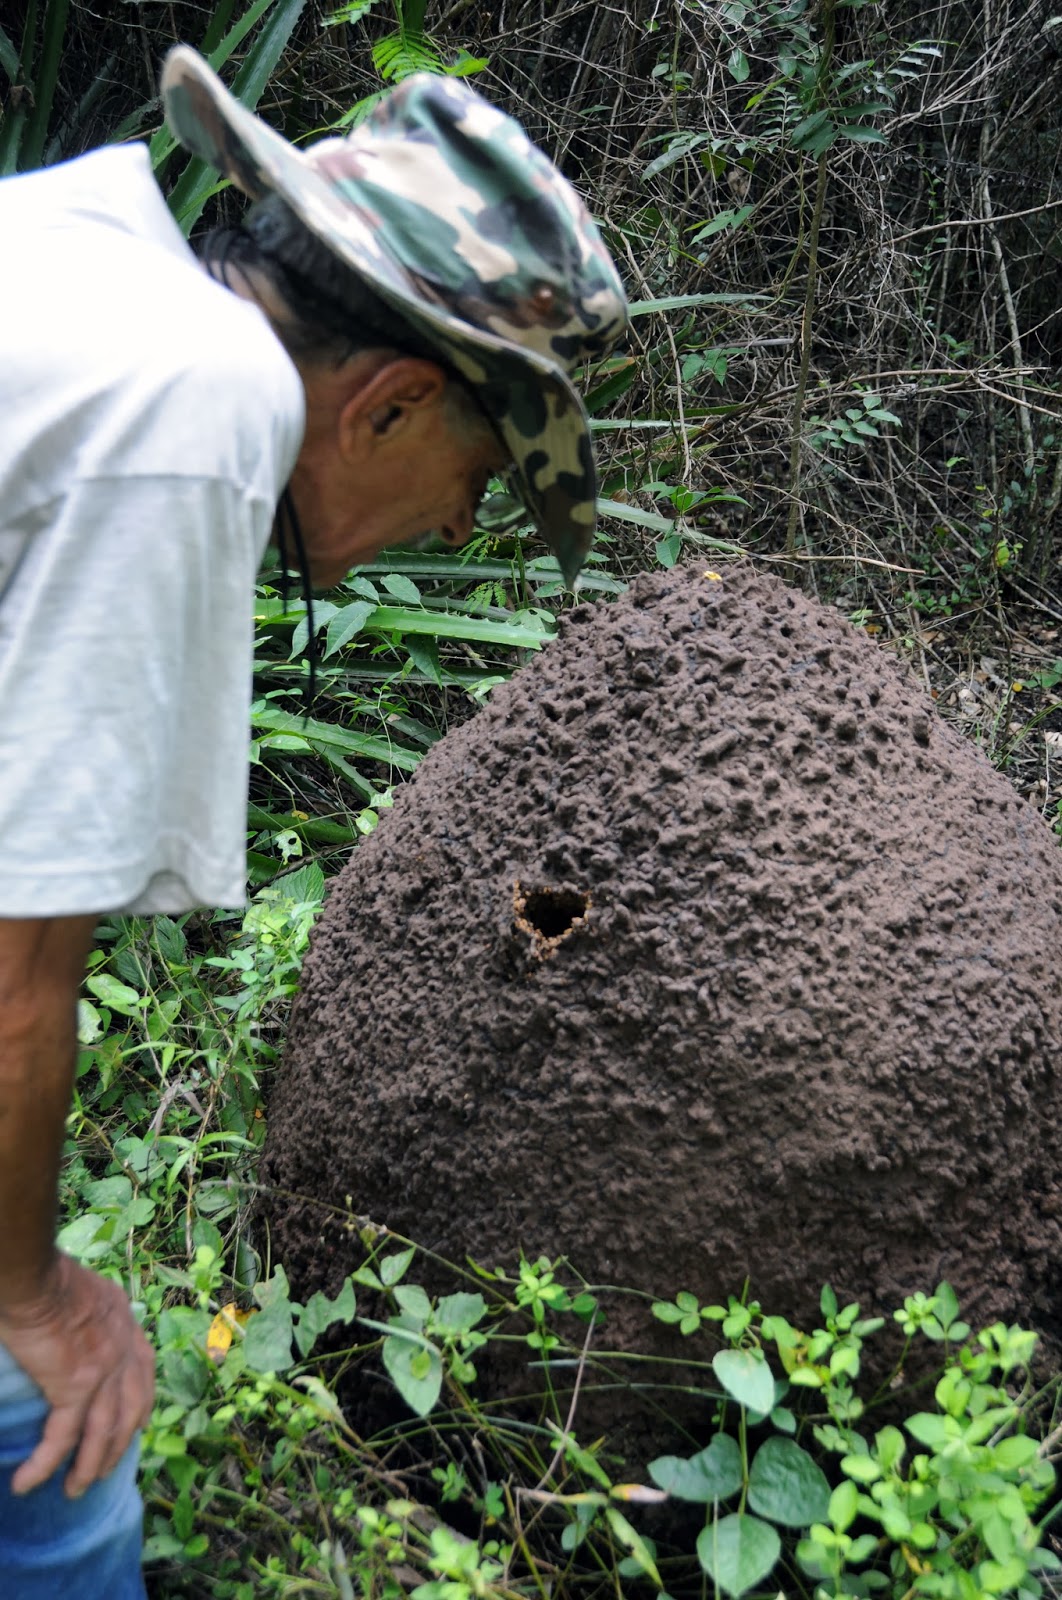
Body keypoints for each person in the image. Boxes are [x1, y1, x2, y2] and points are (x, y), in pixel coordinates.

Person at [0, 44, 628, 1597]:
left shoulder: (77, 260)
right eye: (477, 477)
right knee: (46, 1455)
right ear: (393, 402)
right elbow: (14, 972)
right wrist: (32, 1292)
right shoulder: (189, 407)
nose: (460, 527)